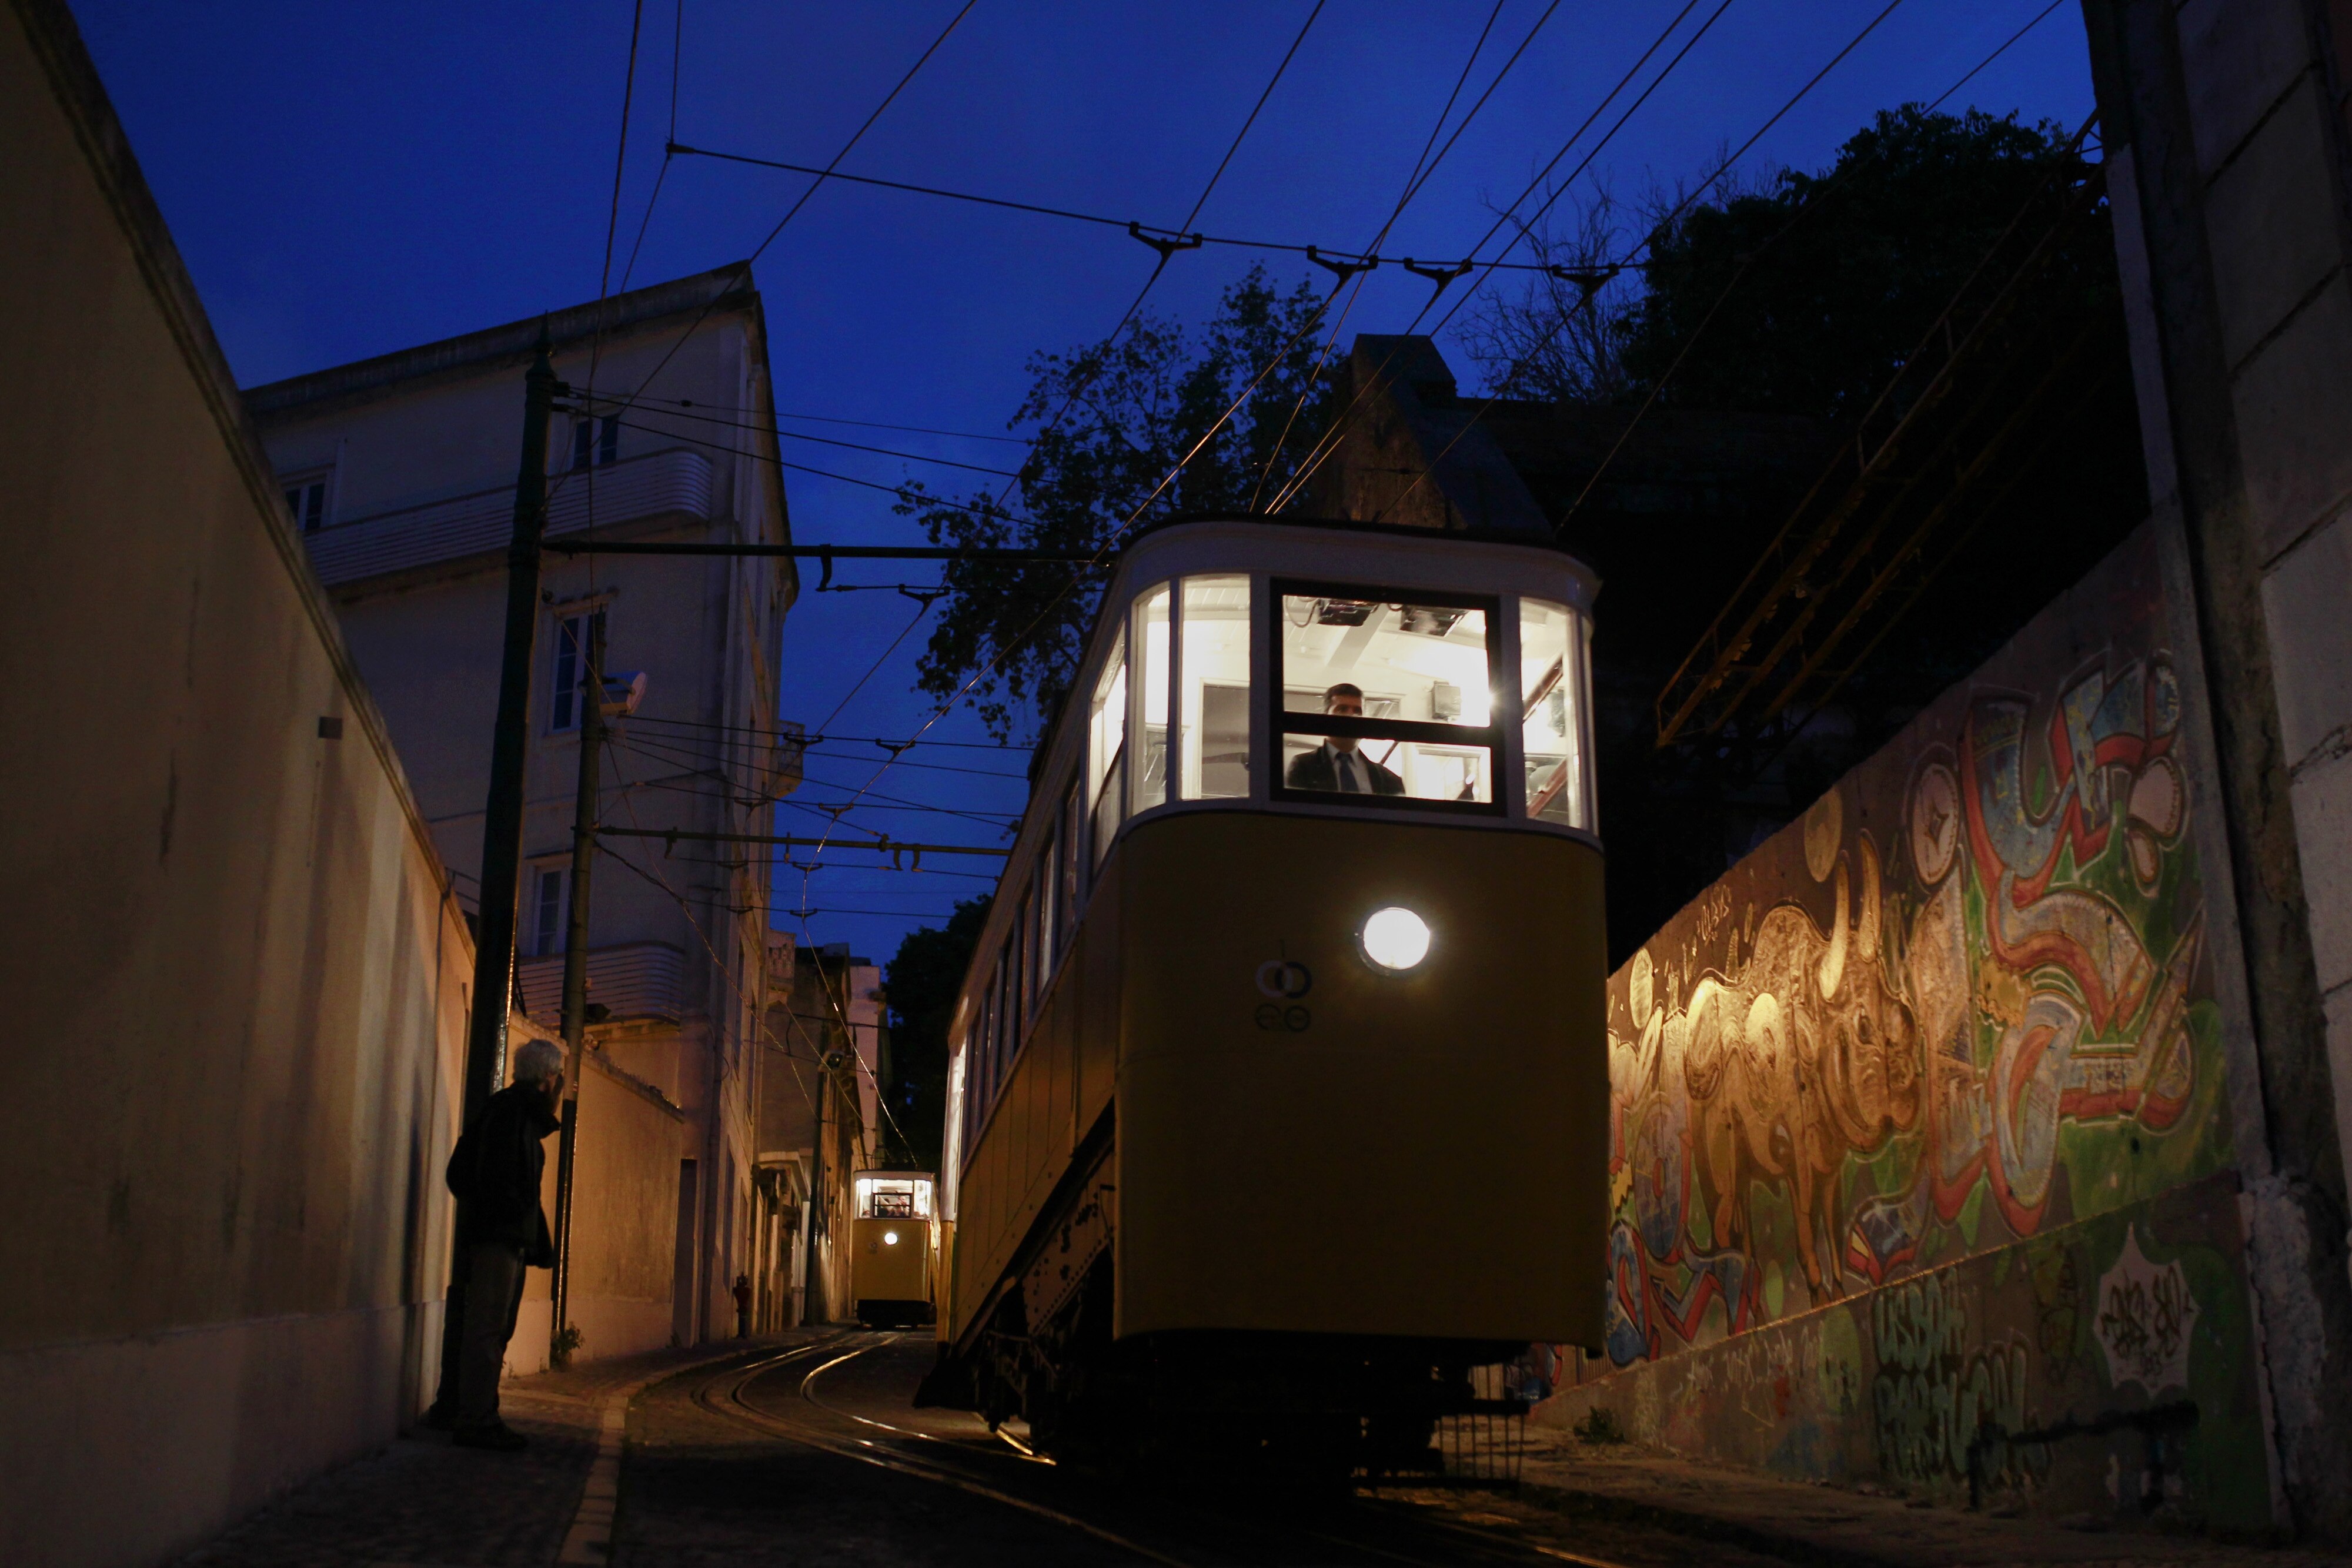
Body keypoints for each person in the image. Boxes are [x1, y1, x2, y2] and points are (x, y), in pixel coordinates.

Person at [447, 1037, 564, 1452]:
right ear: (548, 1077)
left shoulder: (514, 1113)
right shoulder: (512, 1114)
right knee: (488, 1328)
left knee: (494, 1329)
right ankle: (476, 1419)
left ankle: (480, 1414)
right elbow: (485, 1175)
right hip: (499, 1237)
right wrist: (509, 1214)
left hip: (504, 1235)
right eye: (558, 1075)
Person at [1285, 683, 1404, 796]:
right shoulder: (1303, 767)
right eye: (1342, 710)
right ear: (1325, 717)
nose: (1351, 716)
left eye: (1357, 711)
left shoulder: (1387, 778)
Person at [733, 1273, 753, 1338]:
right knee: (742, 1320)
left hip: (743, 1306)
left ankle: (742, 1333)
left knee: (742, 1320)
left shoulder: (746, 1290)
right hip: (743, 1306)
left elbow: (737, 1291)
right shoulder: (747, 1290)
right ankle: (742, 1333)